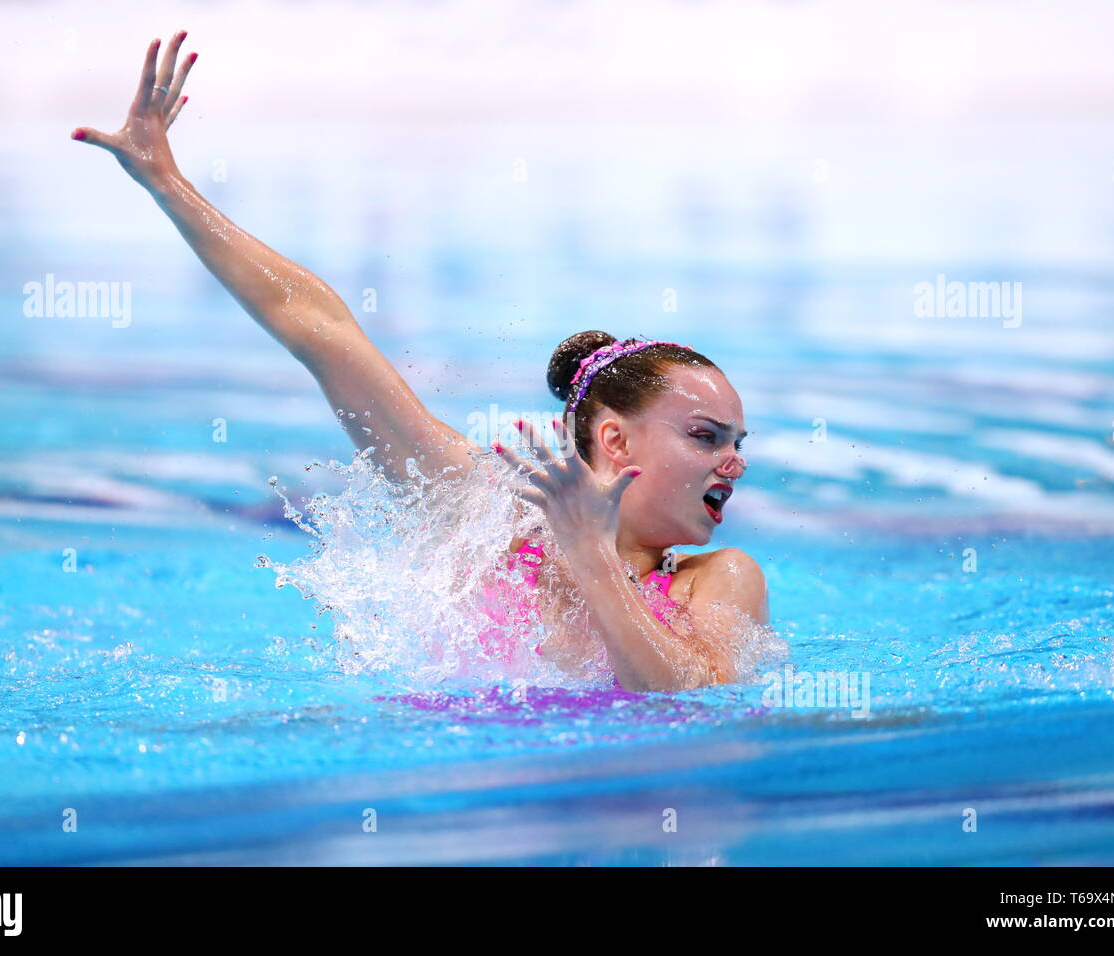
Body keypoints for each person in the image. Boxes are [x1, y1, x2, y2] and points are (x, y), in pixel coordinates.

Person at [71, 30, 770, 693]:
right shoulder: (484, 517)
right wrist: (167, 182)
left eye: (738, 443)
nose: (734, 463)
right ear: (616, 440)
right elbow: (321, 329)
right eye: (705, 436)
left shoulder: (719, 582)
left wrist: (591, 555)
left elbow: (686, 697)